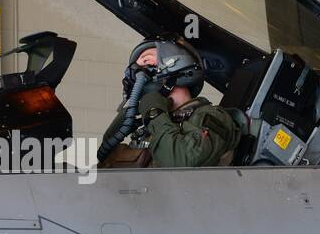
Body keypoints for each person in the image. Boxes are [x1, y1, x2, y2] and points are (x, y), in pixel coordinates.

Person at [99, 37, 240, 168]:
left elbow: (182, 161)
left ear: (176, 64)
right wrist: (124, 121)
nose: (136, 73)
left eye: (146, 61)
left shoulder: (212, 116)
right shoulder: (154, 126)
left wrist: (153, 112)